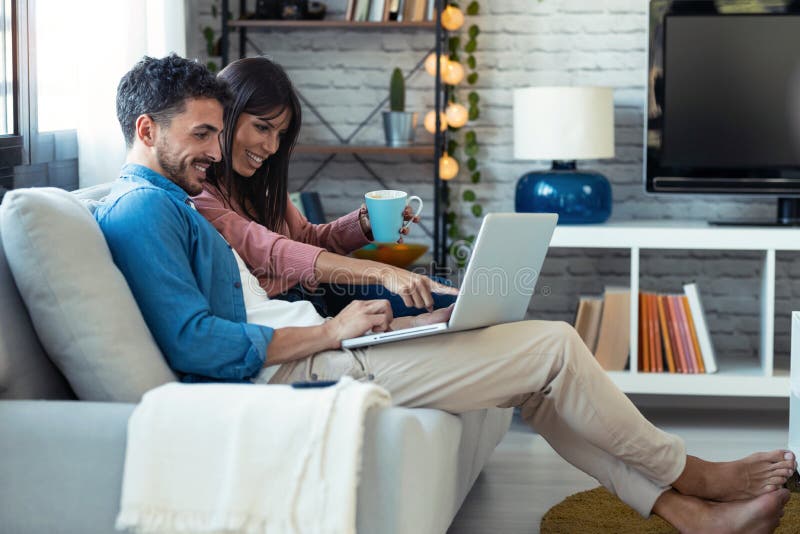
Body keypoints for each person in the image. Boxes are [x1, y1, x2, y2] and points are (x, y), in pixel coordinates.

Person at [96, 54, 794, 533]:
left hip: (309, 348)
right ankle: (694, 476)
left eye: (221, 133)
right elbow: (199, 341)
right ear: (147, 129)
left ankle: (689, 515)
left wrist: (364, 246)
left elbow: (286, 254)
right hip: (297, 367)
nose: (218, 153)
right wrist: (338, 329)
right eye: (204, 134)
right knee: (552, 343)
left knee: (534, 372)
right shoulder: (152, 208)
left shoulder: (172, 197)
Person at [191, 56, 457, 318]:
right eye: (262, 128)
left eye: (280, 135)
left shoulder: (260, 183)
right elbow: (273, 252)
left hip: (319, 291)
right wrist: (384, 272)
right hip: (289, 309)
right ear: (225, 116)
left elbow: (307, 239)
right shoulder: (200, 196)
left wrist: (365, 225)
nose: (272, 147)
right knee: (433, 303)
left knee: (444, 295)